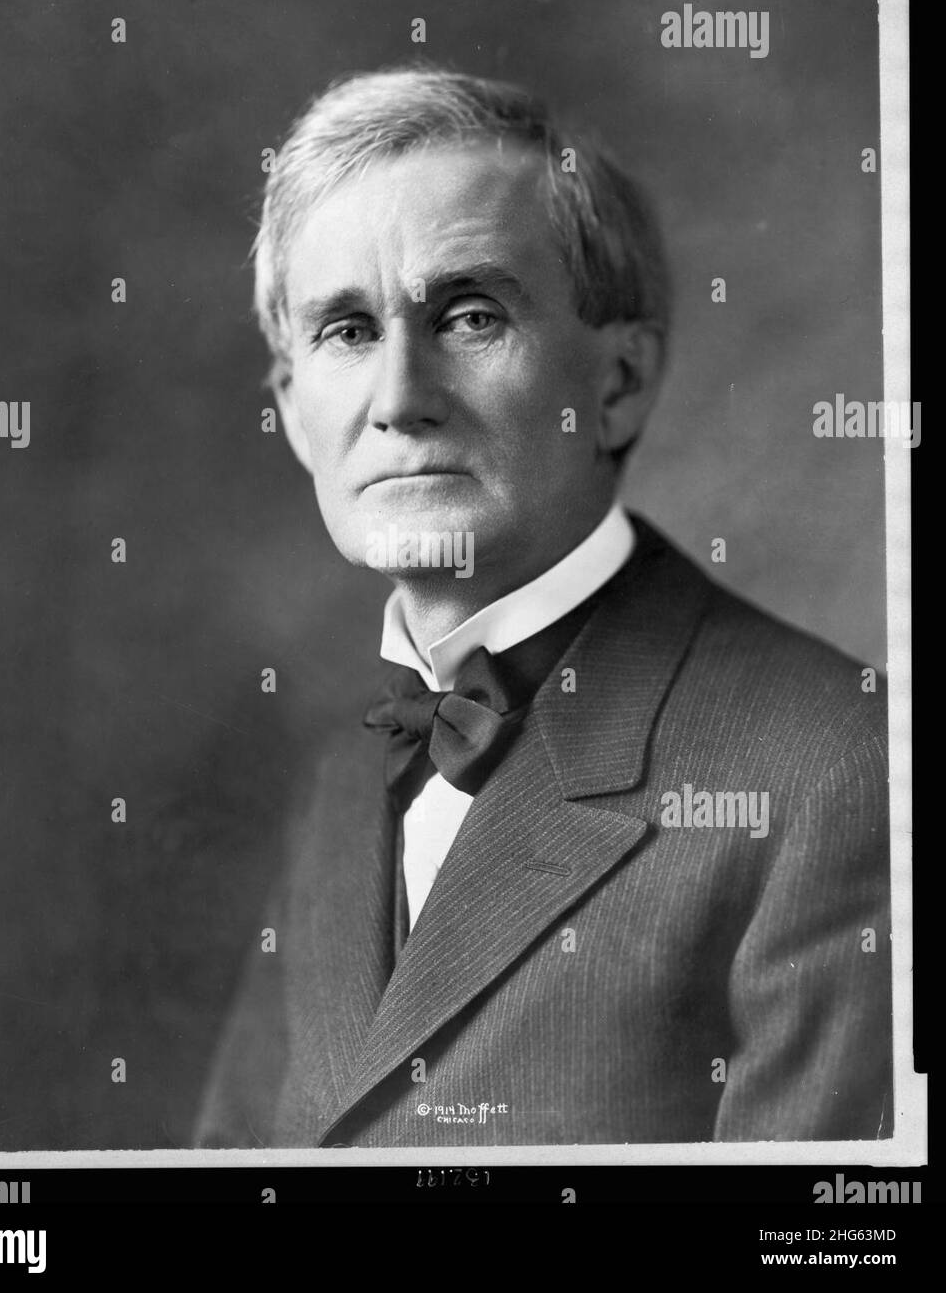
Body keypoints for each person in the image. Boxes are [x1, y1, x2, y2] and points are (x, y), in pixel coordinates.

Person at [195, 65, 891, 1148]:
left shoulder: (831, 767)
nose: (397, 400)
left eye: (468, 316)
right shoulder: (345, 773)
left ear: (616, 382)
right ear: (290, 412)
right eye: (344, 331)